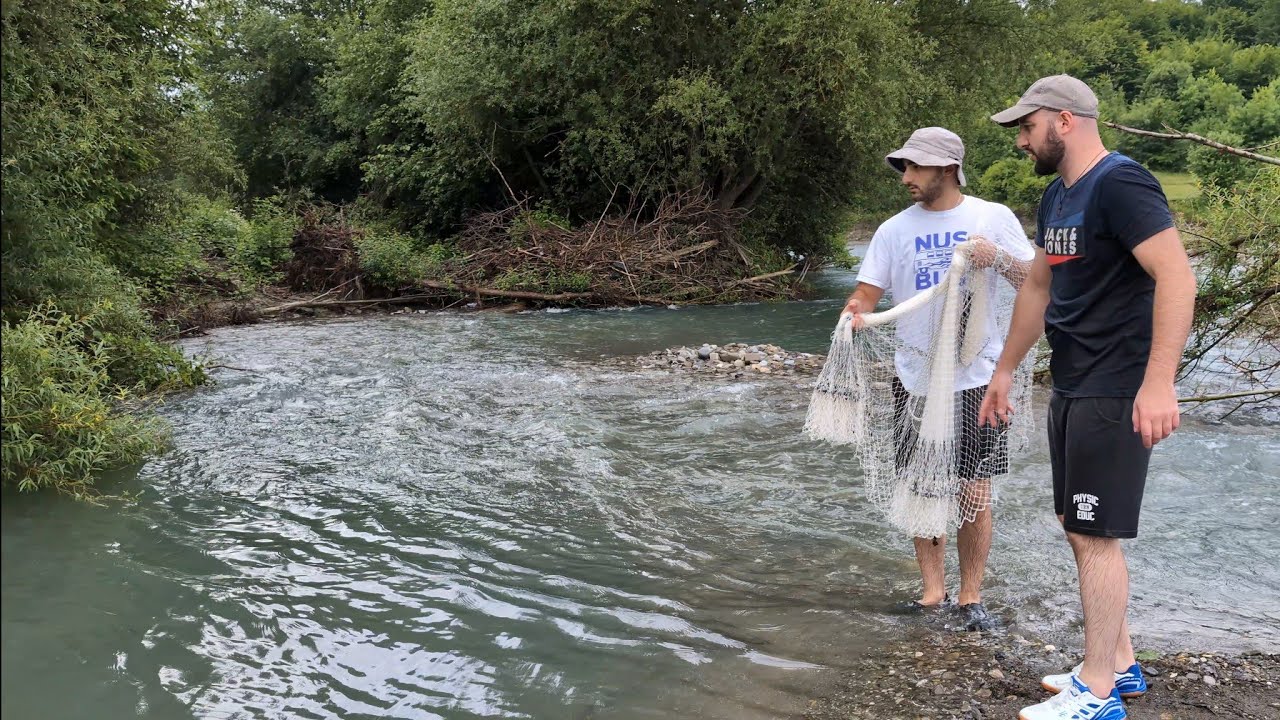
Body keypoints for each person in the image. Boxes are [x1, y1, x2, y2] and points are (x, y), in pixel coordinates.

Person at [980, 75, 1196, 720]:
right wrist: (1005, 370)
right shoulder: (1058, 196)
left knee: (1094, 533)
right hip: (1073, 381)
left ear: (1064, 120)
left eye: (1026, 127)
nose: (1021, 140)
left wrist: (1159, 382)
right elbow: (1039, 289)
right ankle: (1120, 664)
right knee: (1077, 525)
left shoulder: (1120, 183)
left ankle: (1097, 692)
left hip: (1116, 384)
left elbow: (1177, 276)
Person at [843, 127, 1034, 632]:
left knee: (974, 488)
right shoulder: (892, 230)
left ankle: (970, 596)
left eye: (914, 167)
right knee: (921, 486)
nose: (905, 177)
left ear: (947, 170)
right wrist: (855, 312)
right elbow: (867, 291)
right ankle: (933, 592)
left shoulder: (992, 216)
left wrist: (999, 259)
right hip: (914, 377)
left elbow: (1035, 283)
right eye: (903, 167)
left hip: (977, 377)